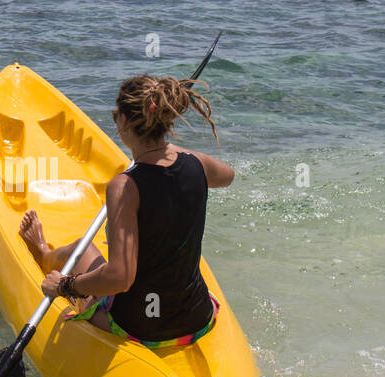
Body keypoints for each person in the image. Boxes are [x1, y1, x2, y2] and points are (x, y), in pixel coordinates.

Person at [18, 74, 234, 350]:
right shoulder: (197, 164)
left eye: (115, 115)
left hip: (139, 326)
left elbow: (120, 278)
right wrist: (175, 154)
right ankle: (48, 257)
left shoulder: (124, 187)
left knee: (83, 252)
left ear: (124, 121)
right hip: (197, 318)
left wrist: (65, 286)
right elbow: (227, 176)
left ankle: (44, 254)